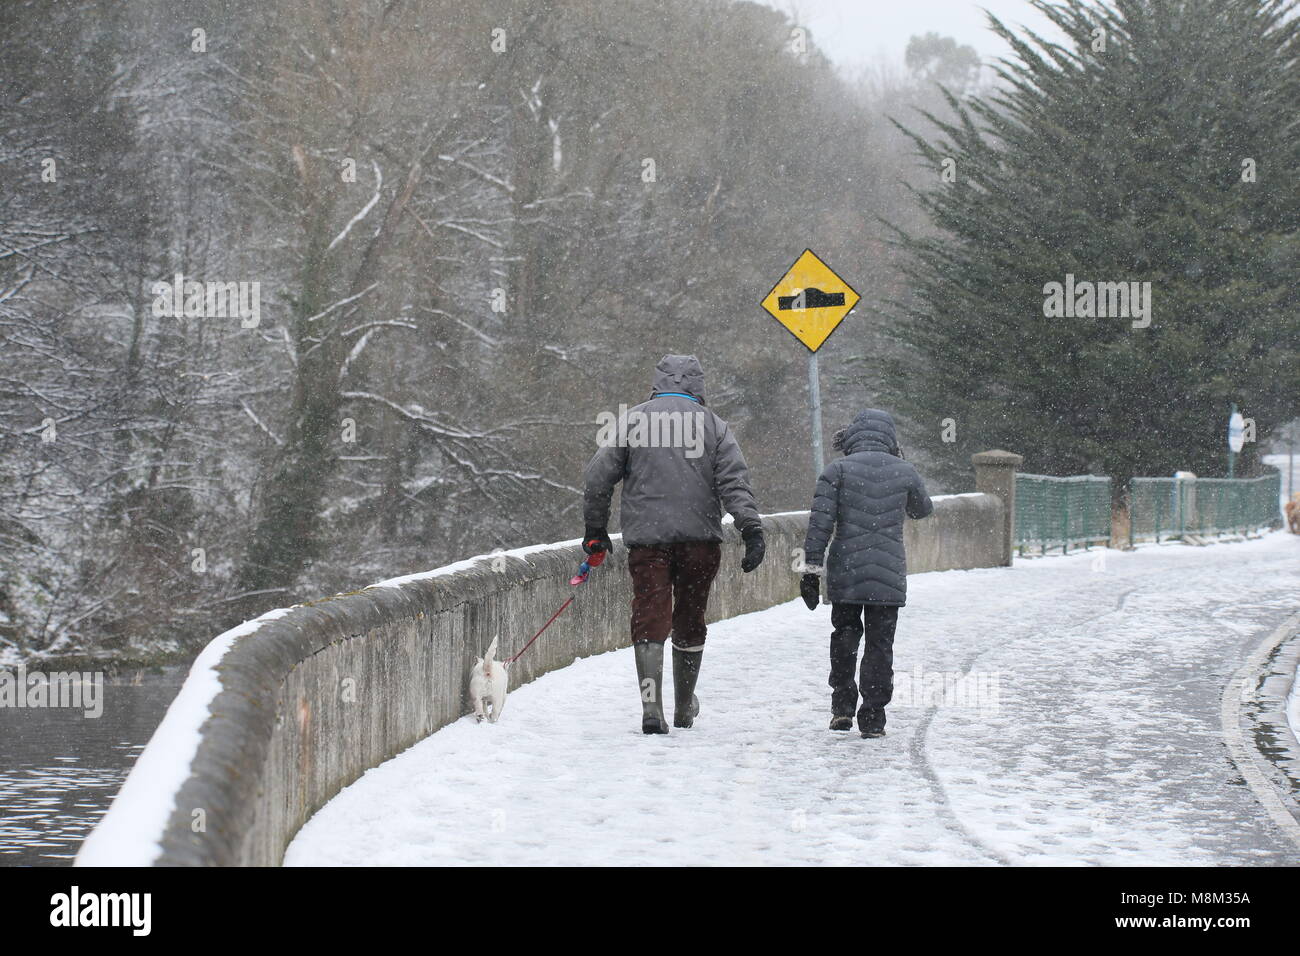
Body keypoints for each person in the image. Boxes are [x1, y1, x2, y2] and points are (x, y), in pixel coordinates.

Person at [583, 354, 765, 734]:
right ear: (699, 385)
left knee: (650, 613)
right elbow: (735, 483)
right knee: (690, 616)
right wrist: (751, 529)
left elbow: (598, 478)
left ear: (657, 382)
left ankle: (652, 708)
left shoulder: (633, 419)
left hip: (648, 539)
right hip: (700, 539)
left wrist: (595, 530)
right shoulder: (714, 426)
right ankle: (684, 707)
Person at [800, 409, 932, 738]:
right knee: (879, 645)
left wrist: (811, 571)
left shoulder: (837, 470)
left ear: (852, 437)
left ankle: (842, 706)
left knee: (844, 637)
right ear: (890, 439)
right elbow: (922, 509)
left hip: (846, 572)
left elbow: (819, 526)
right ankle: (873, 715)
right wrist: (902, 464)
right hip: (888, 575)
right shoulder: (904, 470)